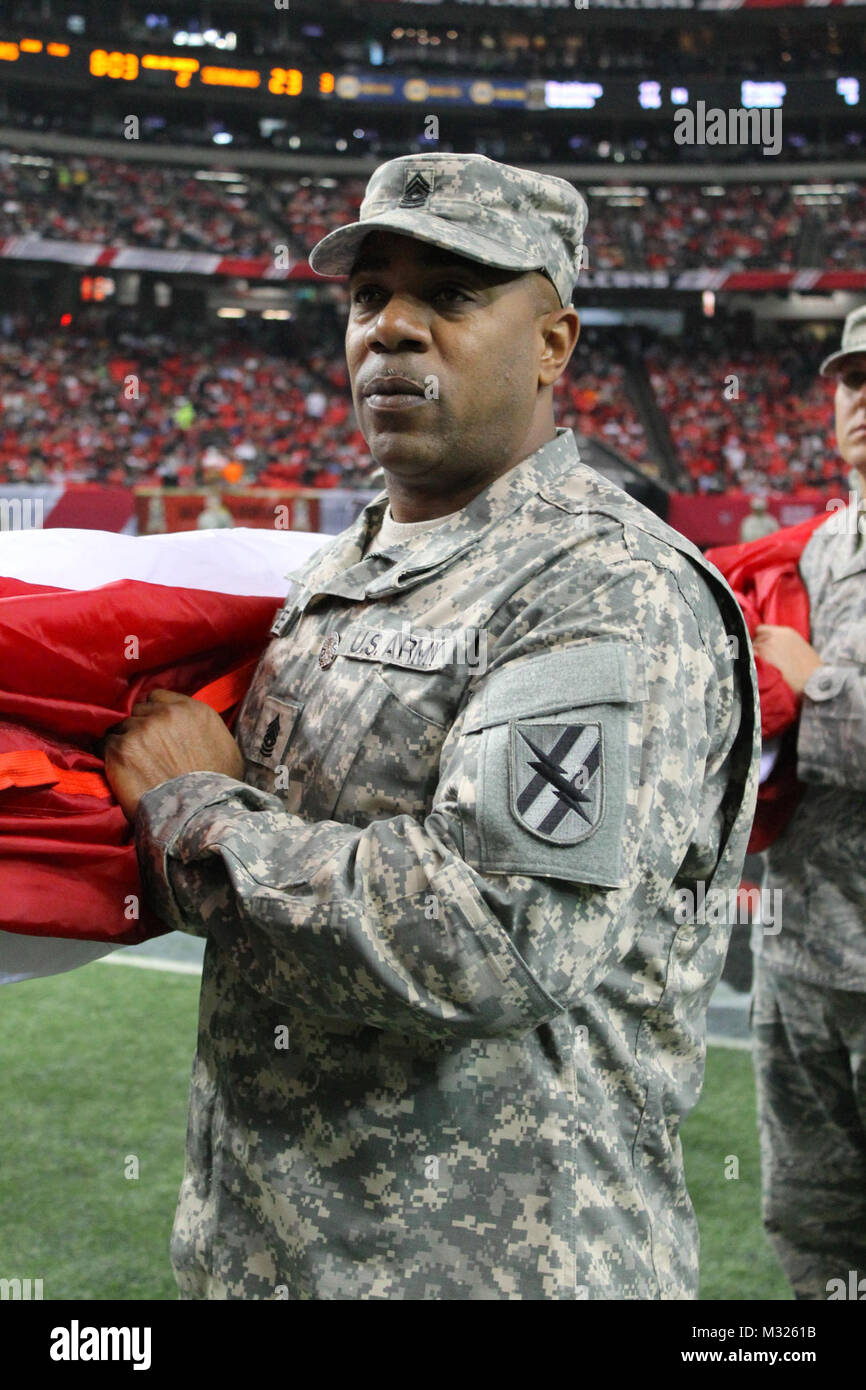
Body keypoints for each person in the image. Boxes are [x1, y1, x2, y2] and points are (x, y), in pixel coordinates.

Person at [104, 153, 759, 1301]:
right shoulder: (334, 571)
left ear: (552, 342)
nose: (391, 329)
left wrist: (196, 814)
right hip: (270, 1258)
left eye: (449, 295)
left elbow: (489, 934)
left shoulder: (606, 585)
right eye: (367, 298)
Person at [750, 305, 866, 1301]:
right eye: (849, 377)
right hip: (798, 950)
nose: (861, 396)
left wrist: (812, 684)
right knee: (812, 1221)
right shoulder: (802, 554)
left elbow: (805, 693)